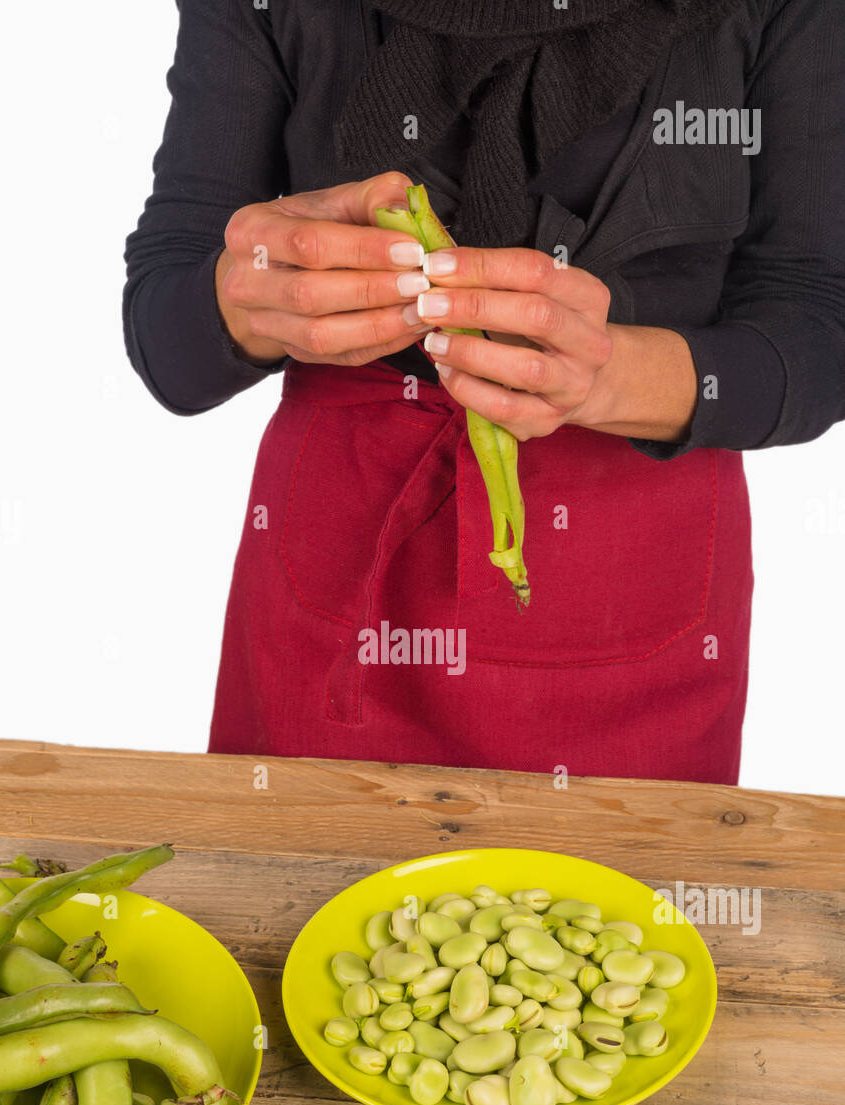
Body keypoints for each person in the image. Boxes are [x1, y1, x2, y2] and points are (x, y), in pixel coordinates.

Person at [124, 0, 844, 783]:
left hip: (635, 560)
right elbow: (171, 348)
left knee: (611, 899)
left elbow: (818, 322)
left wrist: (600, 372)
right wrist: (246, 297)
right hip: (341, 538)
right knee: (294, 893)